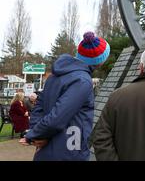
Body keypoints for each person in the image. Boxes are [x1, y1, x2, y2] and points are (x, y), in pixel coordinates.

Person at [20, 31, 110, 161]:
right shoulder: (83, 81)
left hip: (47, 151)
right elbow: (58, 116)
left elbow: (39, 106)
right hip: (69, 151)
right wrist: (33, 136)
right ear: (99, 61)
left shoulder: (54, 76)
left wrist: (36, 134)